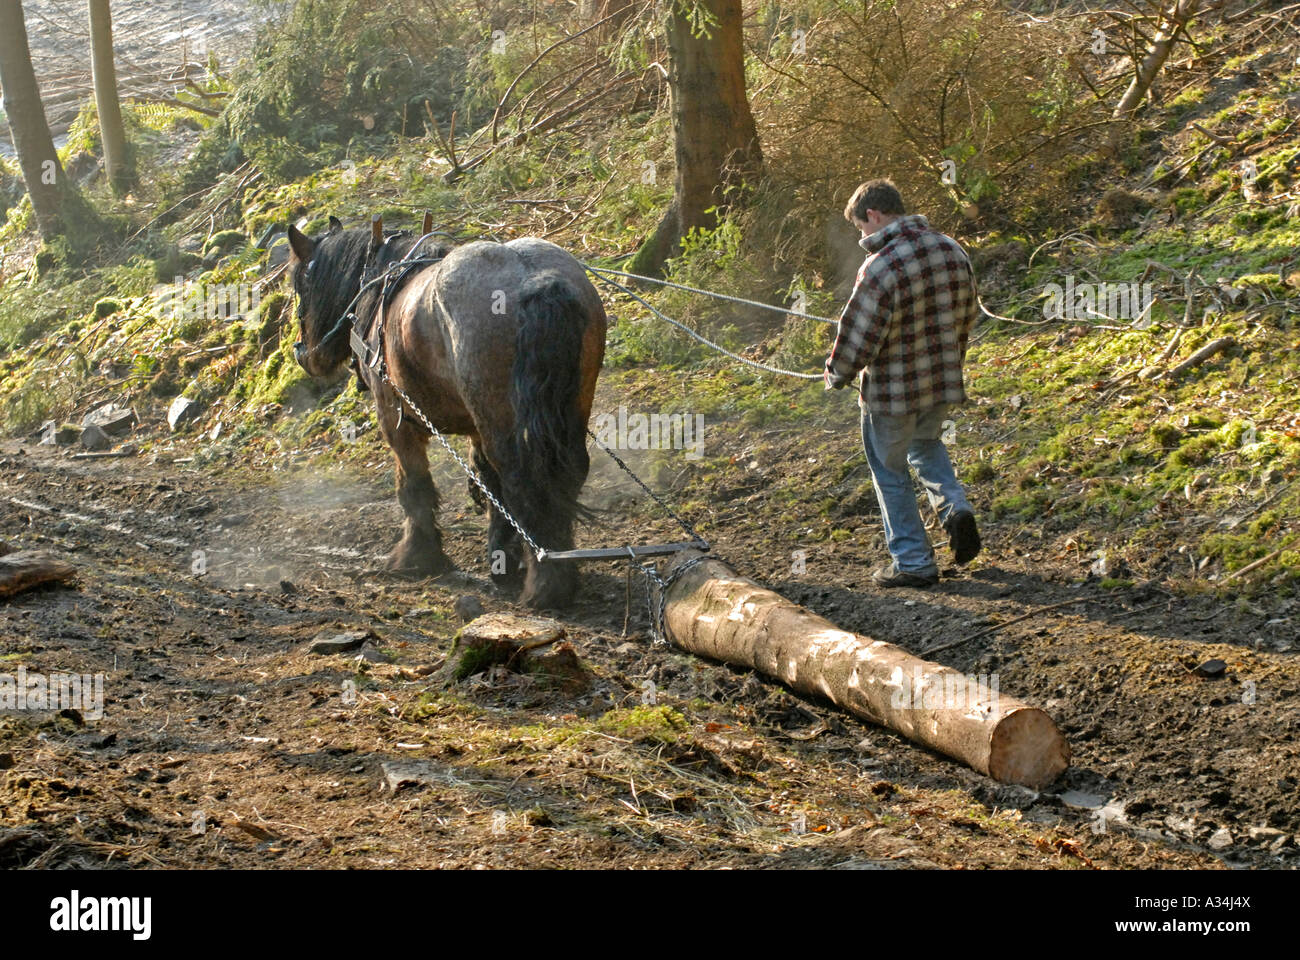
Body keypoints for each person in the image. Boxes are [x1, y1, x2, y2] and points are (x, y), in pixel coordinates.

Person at [824, 179, 981, 588]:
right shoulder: (951, 248)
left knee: (889, 471)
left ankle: (913, 562)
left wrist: (836, 372)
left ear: (872, 216)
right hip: (942, 382)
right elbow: (967, 313)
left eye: (861, 228)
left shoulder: (880, 266)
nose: (862, 236)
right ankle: (955, 508)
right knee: (927, 445)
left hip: (892, 395)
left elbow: (858, 332)